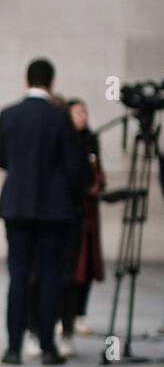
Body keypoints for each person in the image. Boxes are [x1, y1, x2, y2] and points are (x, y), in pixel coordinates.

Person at [0, 59, 91, 366]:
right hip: (53, 210)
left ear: (27, 79)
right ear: (51, 81)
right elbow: (74, 166)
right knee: (50, 278)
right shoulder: (59, 117)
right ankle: (48, 346)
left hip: (17, 206)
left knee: (19, 277)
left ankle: (13, 347)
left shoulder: (8, 115)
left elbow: (1, 159)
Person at [59, 98, 104, 351]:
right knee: (69, 268)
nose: (82, 117)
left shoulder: (90, 140)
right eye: (76, 112)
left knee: (86, 267)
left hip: (86, 212)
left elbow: (97, 173)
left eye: (84, 112)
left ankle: (78, 315)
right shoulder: (66, 141)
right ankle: (63, 317)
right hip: (70, 210)